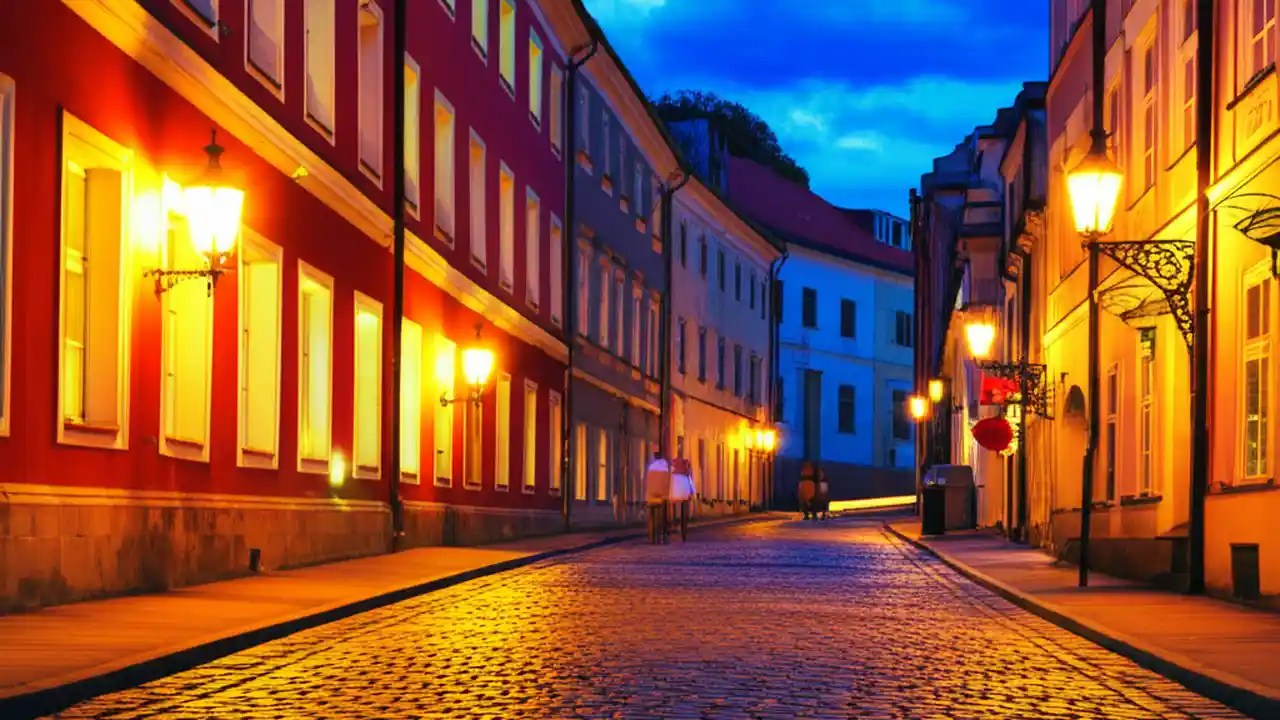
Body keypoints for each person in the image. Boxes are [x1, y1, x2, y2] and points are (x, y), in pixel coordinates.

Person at [644, 452, 672, 544]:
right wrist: (667, 495)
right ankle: (660, 535)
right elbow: (666, 483)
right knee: (661, 516)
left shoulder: (650, 467)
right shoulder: (664, 468)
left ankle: (651, 537)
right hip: (661, 496)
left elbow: (647, 482)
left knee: (651, 516)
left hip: (650, 495)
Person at [670, 457, 695, 541]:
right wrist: (692, 493)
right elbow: (691, 485)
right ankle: (684, 529)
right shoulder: (686, 475)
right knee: (685, 511)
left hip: (675, 496)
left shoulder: (673, 474)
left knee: (676, 510)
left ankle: (675, 522)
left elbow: (670, 485)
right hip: (684, 495)